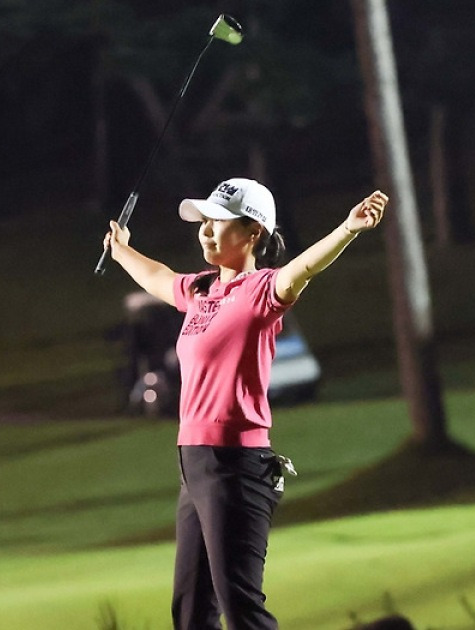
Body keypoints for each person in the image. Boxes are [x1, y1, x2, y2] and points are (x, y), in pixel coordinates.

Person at [102, 177, 387, 630]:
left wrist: (348, 228)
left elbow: (305, 268)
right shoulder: (200, 291)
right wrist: (121, 250)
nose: (206, 230)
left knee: (241, 610)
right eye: (204, 222)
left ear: (253, 232)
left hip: (237, 467)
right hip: (194, 464)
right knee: (192, 613)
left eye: (219, 221)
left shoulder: (263, 291)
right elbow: (158, 277)